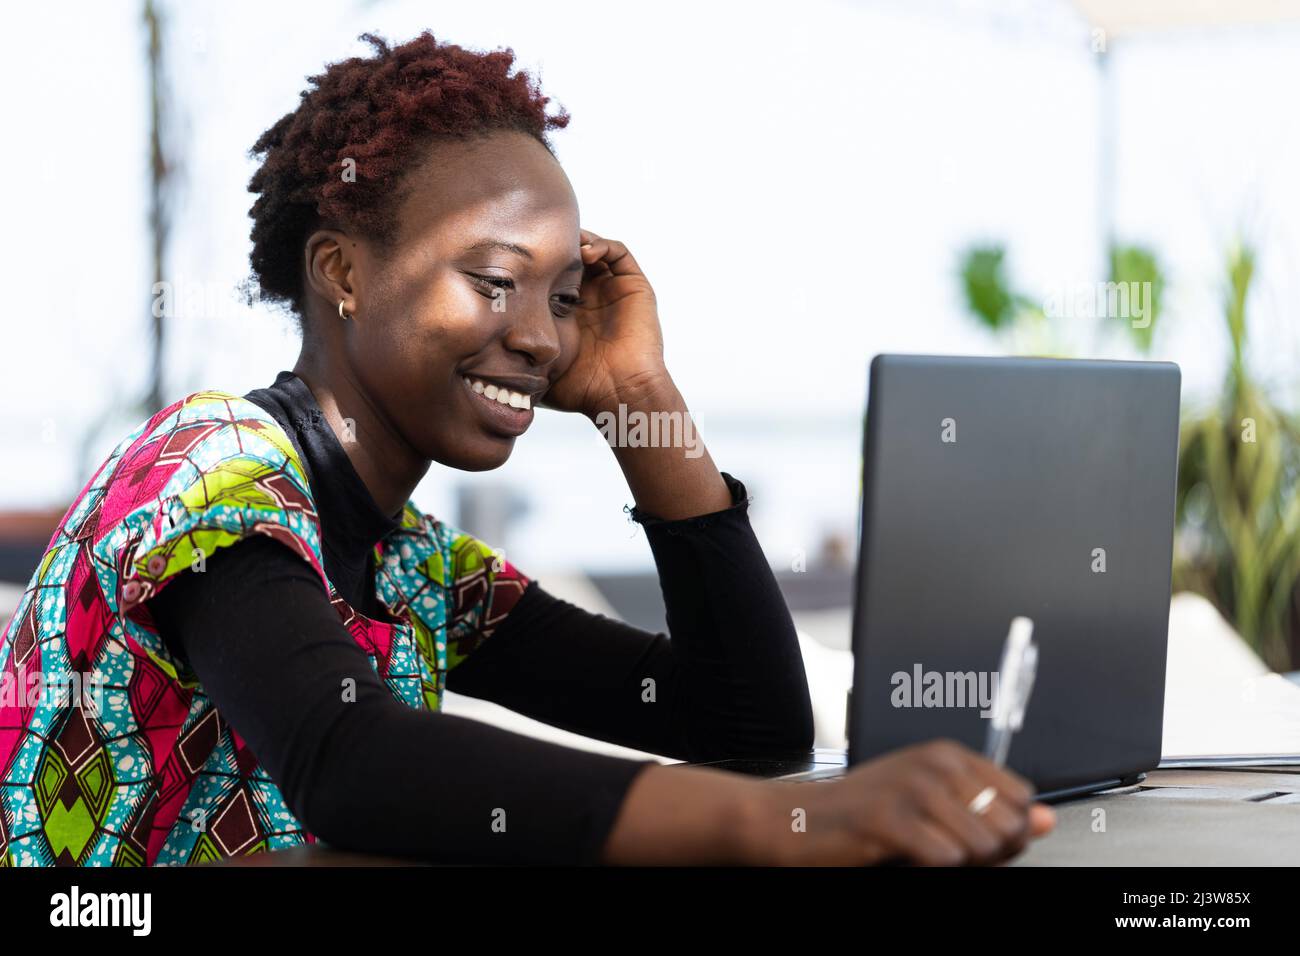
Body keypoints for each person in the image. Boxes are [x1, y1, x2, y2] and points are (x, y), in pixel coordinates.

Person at [0, 31, 1053, 866]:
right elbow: (346, 756)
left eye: (560, 298)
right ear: (343, 271)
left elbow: (742, 721)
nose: (544, 337)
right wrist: (782, 829)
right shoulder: (204, 467)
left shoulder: (414, 566)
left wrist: (638, 397)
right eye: (495, 282)